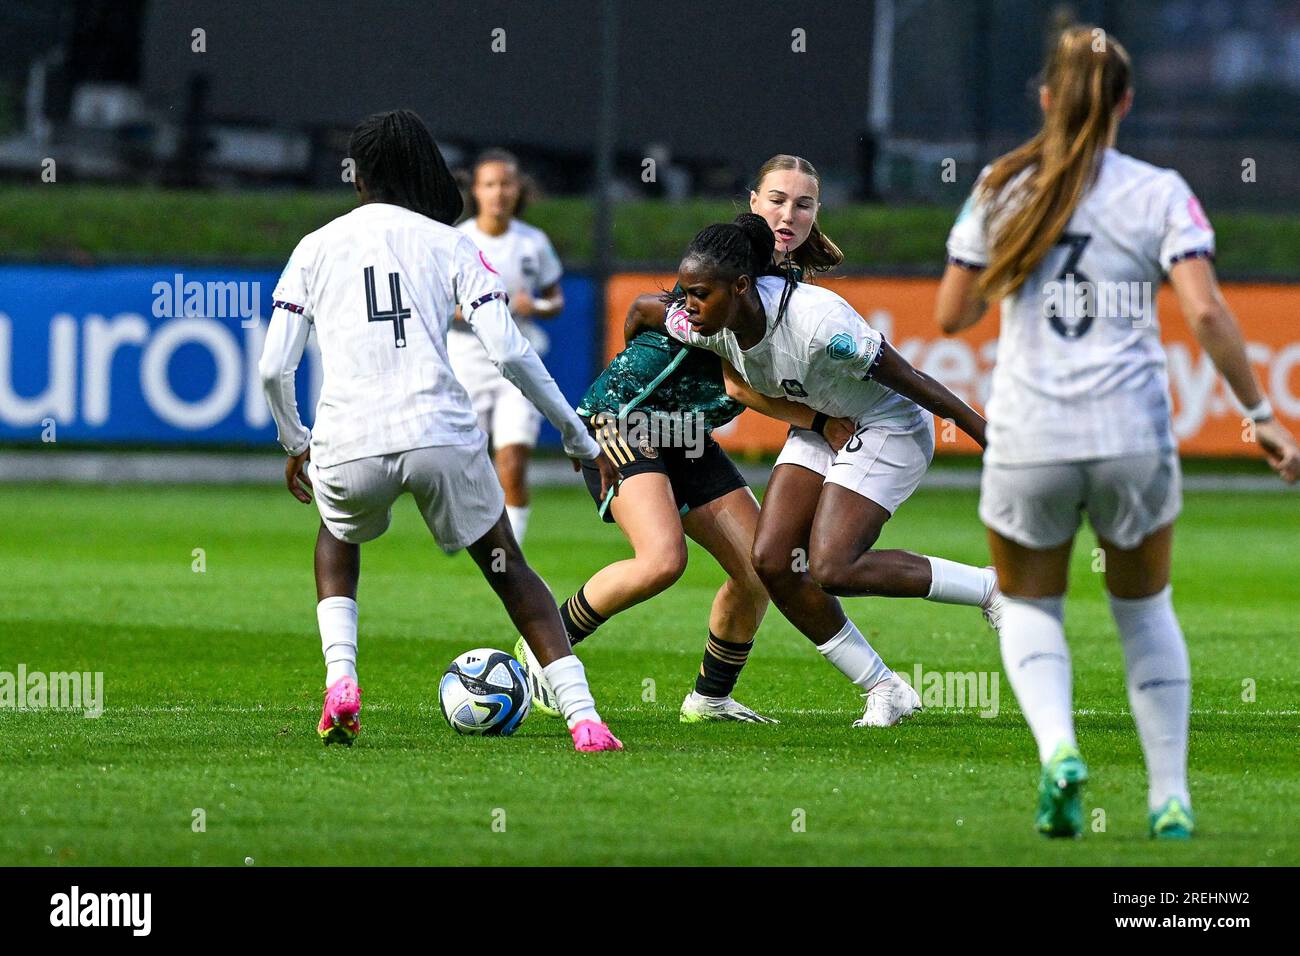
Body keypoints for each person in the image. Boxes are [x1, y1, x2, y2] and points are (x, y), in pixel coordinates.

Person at [936, 26, 1300, 838]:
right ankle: (1169, 794)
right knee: (1143, 610)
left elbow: (951, 316)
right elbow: (1206, 311)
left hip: (1031, 435)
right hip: (1130, 431)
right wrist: (1263, 418)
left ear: (1043, 99)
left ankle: (1061, 752)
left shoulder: (1002, 185)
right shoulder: (1160, 191)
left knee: (1032, 605)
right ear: (1126, 103)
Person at [258, 109, 624, 753]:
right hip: (440, 433)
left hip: (349, 438)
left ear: (359, 175)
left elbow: (272, 368)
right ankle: (584, 718)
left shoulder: (314, 247)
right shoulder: (450, 242)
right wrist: (576, 435)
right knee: (509, 568)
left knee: (337, 535)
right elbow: (510, 353)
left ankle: (341, 680)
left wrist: (297, 442)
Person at [519, 155, 857, 725]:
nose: (788, 213)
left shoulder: (787, 284)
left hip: (685, 434)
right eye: (777, 199)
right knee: (661, 560)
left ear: (816, 212)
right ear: (753, 202)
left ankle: (711, 699)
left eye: (803, 203)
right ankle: (540, 659)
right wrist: (617, 396)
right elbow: (726, 375)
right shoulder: (727, 261)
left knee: (759, 569)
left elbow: (646, 315)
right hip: (628, 424)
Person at [634, 213, 1001, 728]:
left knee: (832, 567)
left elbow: (914, 380)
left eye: (698, 293)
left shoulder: (821, 326)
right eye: (684, 291)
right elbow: (644, 312)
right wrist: (615, 405)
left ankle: (989, 588)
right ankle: (885, 689)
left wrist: (984, 434)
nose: (687, 305)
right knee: (772, 561)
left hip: (886, 422)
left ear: (741, 287)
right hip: (823, 423)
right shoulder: (703, 321)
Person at [449, 150, 566, 544]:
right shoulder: (458, 239)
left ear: (518, 190)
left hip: (517, 360)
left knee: (512, 460)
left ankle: (509, 549)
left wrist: (537, 306)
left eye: (506, 184)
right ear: (476, 191)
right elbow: (436, 300)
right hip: (467, 359)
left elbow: (555, 300)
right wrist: (464, 312)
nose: (498, 193)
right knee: (469, 459)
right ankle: (478, 535)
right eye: (490, 184)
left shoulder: (533, 243)